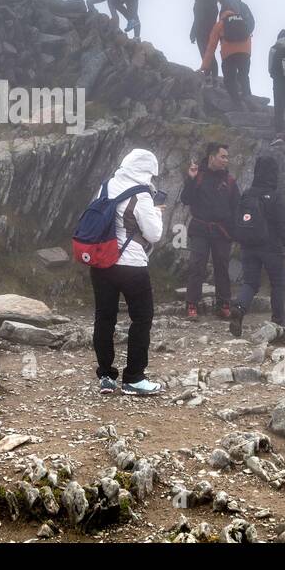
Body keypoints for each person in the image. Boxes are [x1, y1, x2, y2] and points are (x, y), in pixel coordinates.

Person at [90, 149, 164, 396]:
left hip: (101, 262)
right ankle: (133, 377)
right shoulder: (142, 194)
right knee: (142, 318)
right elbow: (154, 234)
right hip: (131, 264)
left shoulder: (106, 186)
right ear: (146, 171)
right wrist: (156, 212)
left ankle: (106, 377)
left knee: (104, 317)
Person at [230, 155, 285, 335]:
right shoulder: (275, 197)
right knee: (278, 283)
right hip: (271, 248)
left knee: (250, 283)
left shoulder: (247, 194)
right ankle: (278, 320)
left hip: (248, 246)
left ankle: (239, 307)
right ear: (274, 173)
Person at [179, 142, 239, 320]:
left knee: (222, 267)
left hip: (222, 231)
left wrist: (234, 232)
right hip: (200, 228)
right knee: (197, 266)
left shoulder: (229, 181)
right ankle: (192, 306)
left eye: (227, 157)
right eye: (223, 156)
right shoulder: (197, 177)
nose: (226, 160)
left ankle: (223, 305)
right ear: (212, 157)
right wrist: (190, 179)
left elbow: (236, 207)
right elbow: (185, 199)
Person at [199, 0, 254, 109]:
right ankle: (247, 97)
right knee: (244, 75)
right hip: (245, 52)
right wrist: (247, 52)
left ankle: (237, 102)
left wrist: (205, 66)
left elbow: (211, 47)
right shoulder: (242, 21)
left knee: (229, 79)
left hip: (229, 54)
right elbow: (248, 36)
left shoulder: (220, 24)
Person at [190, 0, 221, 82]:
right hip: (212, 30)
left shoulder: (199, 1)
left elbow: (198, 18)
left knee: (204, 53)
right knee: (211, 53)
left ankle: (207, 77)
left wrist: (193, 33)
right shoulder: (213, 1)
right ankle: (215, 77)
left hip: (201, 31)